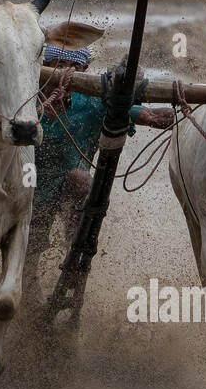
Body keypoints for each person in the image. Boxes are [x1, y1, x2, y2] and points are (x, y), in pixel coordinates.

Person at [33, 23, 173, 258]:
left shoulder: (92, 103)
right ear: (44, 67)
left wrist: (184, 111)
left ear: (85, 70)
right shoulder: (24, 100)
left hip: (69, 186)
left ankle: (73, 252)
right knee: (29, 260)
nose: (65, 74)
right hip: (25, 190)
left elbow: (151, 116)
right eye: (59, 66)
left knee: (80, 180)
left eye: (74, 67)